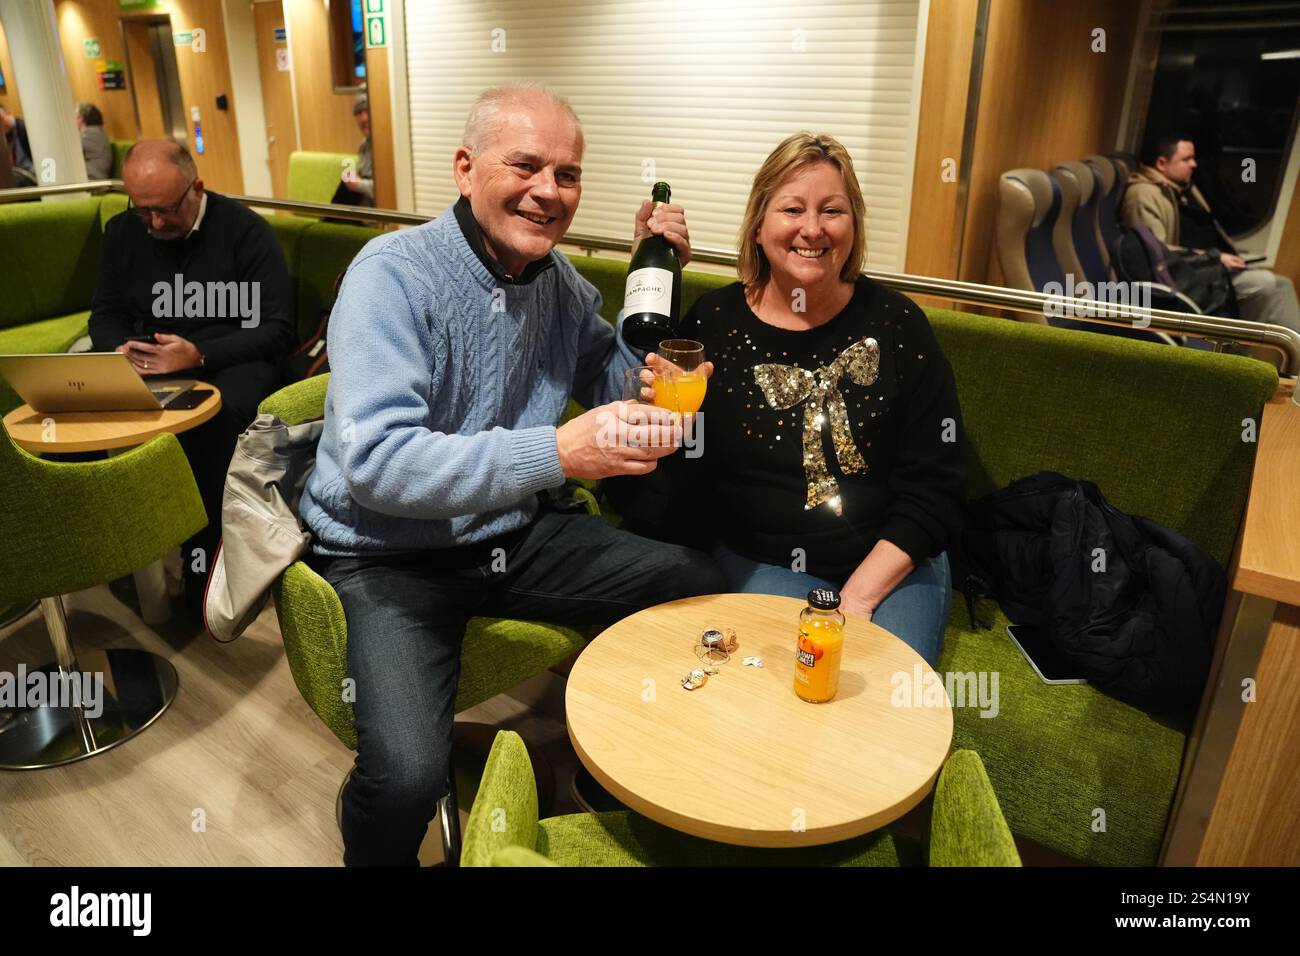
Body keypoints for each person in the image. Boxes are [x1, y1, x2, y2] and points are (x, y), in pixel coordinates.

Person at [298, 84, 726, 866]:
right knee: (404, 780)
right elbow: (377, 466)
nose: (547, 191)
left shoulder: (559, 286)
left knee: (692, 580)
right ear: (466, 169)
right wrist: (557, 454)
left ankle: (615, 779)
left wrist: (654, 285)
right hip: (390, 551)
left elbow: (618, 384)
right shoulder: (391, 276)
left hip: (515, 530)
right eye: (525, 165)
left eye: (567, 175)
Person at [658, 132, 966, 667]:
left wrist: (858, 599)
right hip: (758, 559)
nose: (813, 229)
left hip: (891, 564)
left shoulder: (898, 326)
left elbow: (938, 483)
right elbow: (676, 455)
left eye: (832, 211)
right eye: (792, 209)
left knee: (886, 705)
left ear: (854, 226)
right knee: (776, 693)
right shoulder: (713, 321)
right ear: (759, 225)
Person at [88, 140, 297, 618]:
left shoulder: (245, 232)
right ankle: (115, 547)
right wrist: (119, 348)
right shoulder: (122, 232)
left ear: (196, 189)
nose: (155, 225)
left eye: (165, 211)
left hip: (229, 356)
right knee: (84, 406)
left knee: (219, 421)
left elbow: (278, 329)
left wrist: (198, 354)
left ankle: (205, 556)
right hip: (150, 357)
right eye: (143, 212)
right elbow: (105, 314)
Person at [1121, 133, 1300, 335]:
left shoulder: (1184, 190)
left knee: (1282, 284)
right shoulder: (1143, 194)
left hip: (1205, 266)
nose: (1194, 164)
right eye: (1186, 159)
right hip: (1188, 275)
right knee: (1265, 285)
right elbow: (1155, 253)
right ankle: (1236, 355)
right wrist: (1214, 258)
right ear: (1162, 163)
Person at [333, 91, 374, 207]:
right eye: (359, 113)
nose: (364, 118)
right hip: (359, 208)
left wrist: (358, 184)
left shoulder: (386, 148)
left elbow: (387, 191)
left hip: (374, 216)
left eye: (367, 111)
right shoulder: (363, 146)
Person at [75, 102, 113, 180]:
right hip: (89, 178)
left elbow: (71, 153)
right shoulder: (94, 132)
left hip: (93, 179)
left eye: (75, 116)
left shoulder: (92, 134)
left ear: (81, 118)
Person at [1, 105, 34, 183]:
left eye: (2, 118)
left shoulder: (24, 126)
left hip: (30, 172)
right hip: (16, 172)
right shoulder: (5, 135)